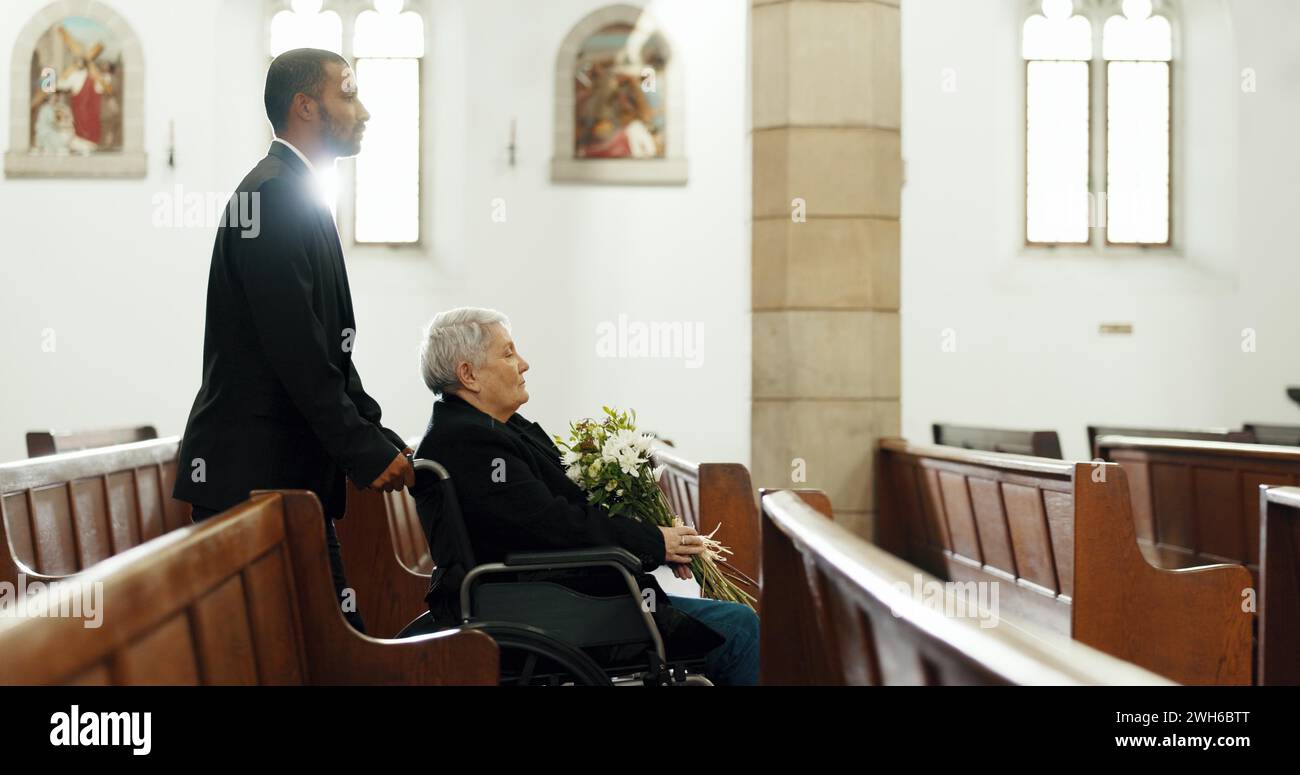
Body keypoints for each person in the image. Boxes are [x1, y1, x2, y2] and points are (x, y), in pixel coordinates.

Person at [173, 48, 413, 633]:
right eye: (348, 94)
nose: (364, 111)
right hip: (252, 480)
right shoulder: (274, 196)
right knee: (295, 647)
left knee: (313, 644)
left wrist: (378, 434)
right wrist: (362, 450)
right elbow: (296, 352)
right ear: (306, 106)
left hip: (279, 477)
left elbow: (332, 350)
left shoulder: (295, 192)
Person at [412, 307, 758, 685]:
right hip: (552, 607)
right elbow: (553, 526)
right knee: (741, 628)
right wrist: (652, 542)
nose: (523, 364)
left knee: (734, 619)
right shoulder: (471, 440)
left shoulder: (486, 428)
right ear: (468, 374)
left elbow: (560, 513)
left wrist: (655, 537)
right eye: (508, 353)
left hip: (555, 596)